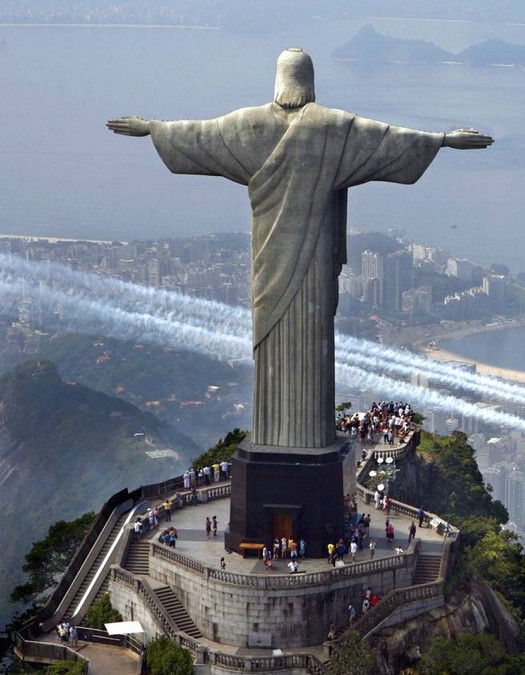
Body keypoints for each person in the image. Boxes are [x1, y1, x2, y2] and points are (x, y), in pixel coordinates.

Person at [107, 48, 492, 449]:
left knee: (273, 340)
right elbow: (390, 141)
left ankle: (274, 437)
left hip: (268, 262)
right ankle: (307, 437)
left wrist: (152, 127)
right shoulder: (334, 128)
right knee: (313, 342)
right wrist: (444, 140)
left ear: (278, 79)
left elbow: (198, 135)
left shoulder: (246, 126)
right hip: (314, 265)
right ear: (310, 80)